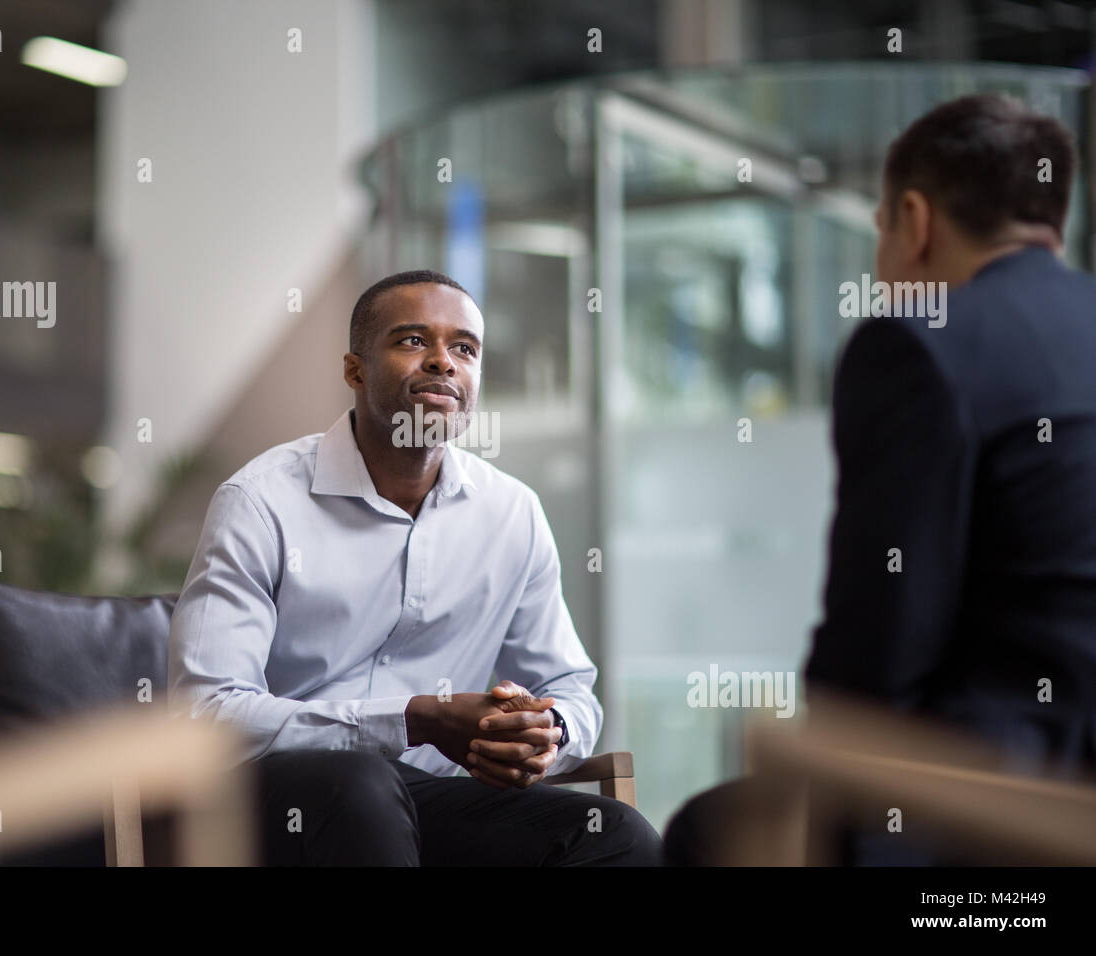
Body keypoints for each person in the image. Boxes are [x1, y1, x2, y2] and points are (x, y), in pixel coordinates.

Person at [665, 93, 1096, 865]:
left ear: (915, 219)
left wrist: (812, 759)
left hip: (1007, 802)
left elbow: (880, 644)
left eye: (879, 234)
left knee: (707, 827)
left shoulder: (921, 346)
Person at [169, 269, 661, 865]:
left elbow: (570, 690)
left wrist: (544, 733)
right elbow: (207, 714)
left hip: (434, 800)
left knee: (616, 833)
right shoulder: (260, 502)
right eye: (411, 341)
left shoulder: (512, 513)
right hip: (274, 801)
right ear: (355, 370)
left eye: (464, 348)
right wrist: (413, 720)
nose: (443, 362)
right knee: (360, 785)